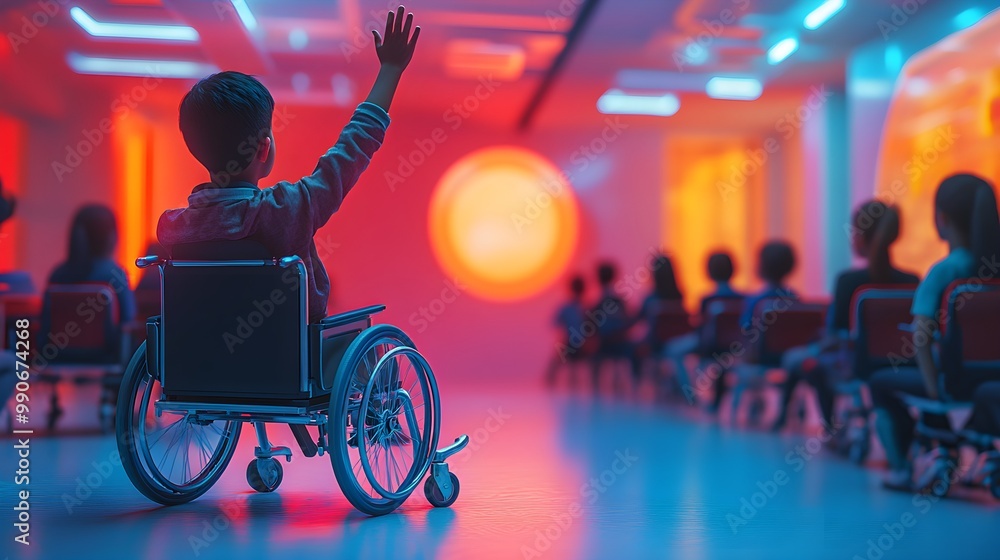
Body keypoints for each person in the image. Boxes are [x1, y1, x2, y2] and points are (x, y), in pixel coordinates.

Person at [156, 6, 420, 455]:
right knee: (371, 340)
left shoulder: (174, 227)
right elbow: (350, 151)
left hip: (202, 367)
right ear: (264, 148)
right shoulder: (284, 210)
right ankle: (385, 425)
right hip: (290, 365)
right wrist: (390, 70)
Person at [869, 173, 1000, 491]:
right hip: (991, 381)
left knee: (879, 382)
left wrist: (933, 389)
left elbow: (921, 338)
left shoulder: (945, 271)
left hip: (954, 382)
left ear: (941, 219)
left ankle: (903, 468)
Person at [771, 201, 918, 431]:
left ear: (860, 236)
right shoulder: (912, 281)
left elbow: (837, 334)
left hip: (852, 363)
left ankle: (826, 426)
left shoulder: (848, 281)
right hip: (902, 362)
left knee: (798, 359)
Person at [710, 242, 798, 413]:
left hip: (758, 357)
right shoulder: (795, 299)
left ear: (761, 267)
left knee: (723, 363)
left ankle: (716, 408)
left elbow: (745, 331)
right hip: (788, 357)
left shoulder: (755, 301)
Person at [664, 251, 741, 400]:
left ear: (709, 271)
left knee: (673, 349)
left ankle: (688, 393)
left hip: (708, 345)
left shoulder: (708, 299)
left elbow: (700, 326)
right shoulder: (742, 298)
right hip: (733, 346)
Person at [45, 204, 136, 327]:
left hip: (60, 346)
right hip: (109, 347)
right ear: (111, 238)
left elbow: (46, 325)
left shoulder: (57, 275)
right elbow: (129, 320)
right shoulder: (116, 275)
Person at [589, 261, 630, 393]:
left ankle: (595, 389)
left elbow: (592, 324)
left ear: (598, 278)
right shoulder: (620, 299)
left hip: (605, 342)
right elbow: (626, 319)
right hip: (620, 341)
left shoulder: (601, 301)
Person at [546, 275, 588, 387]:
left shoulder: (569, 307)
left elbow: (556, 324)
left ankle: (551, 386)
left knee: (556, 365)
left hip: (580, 345)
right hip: (574, 344)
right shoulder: (585, 306)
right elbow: (556, 324)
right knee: (557, 364)